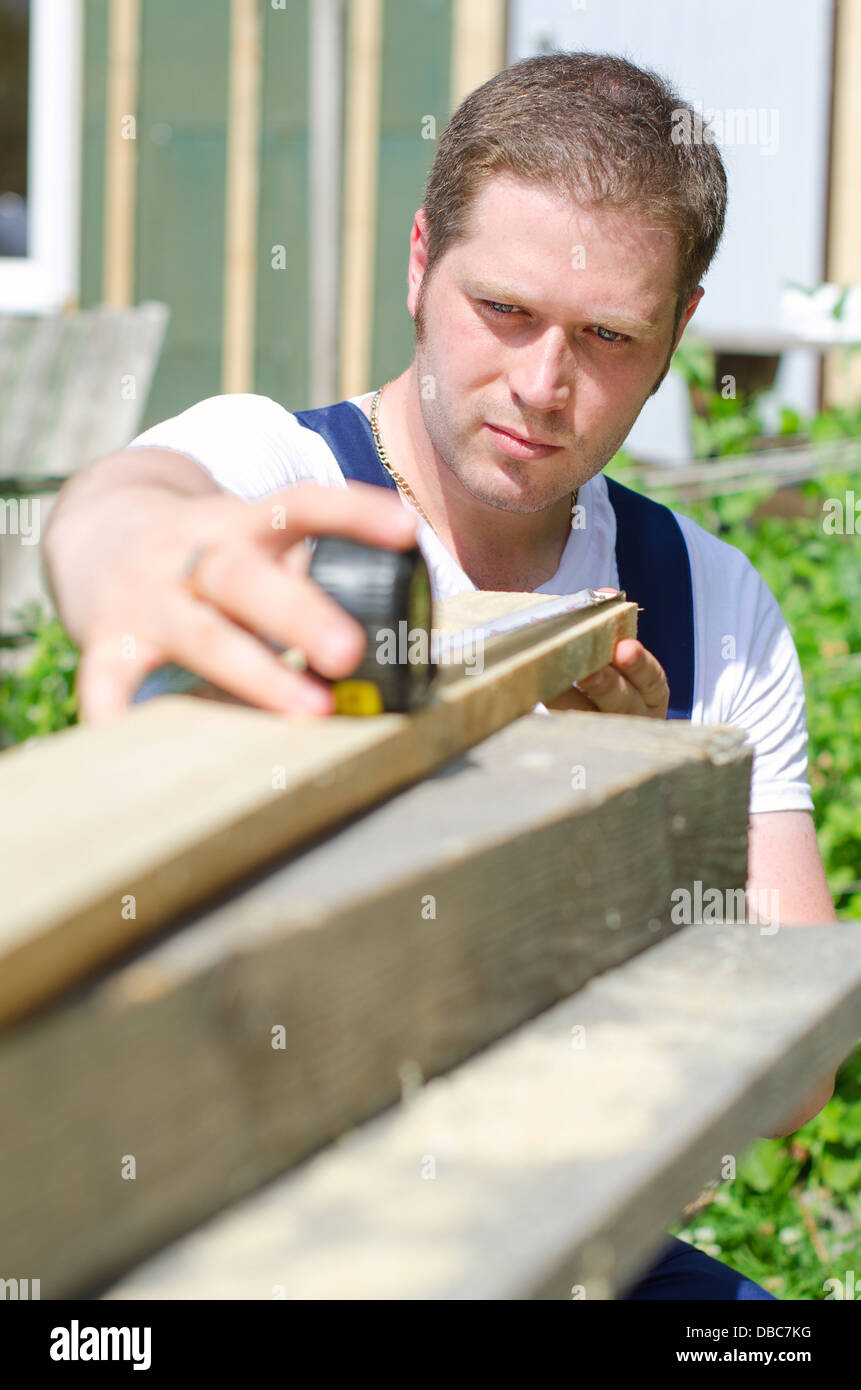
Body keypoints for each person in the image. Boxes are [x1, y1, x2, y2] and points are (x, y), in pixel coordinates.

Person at [43, 52, 838, 1298]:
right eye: (505, 312)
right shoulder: (281, 480)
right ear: (421, 263)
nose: (542, 385)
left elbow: (797, 1077)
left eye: (608, 337)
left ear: (680, 332)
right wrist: (141, 547)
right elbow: (121, 510)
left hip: (571, 1242)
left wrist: (636, 833)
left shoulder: (711, 603)